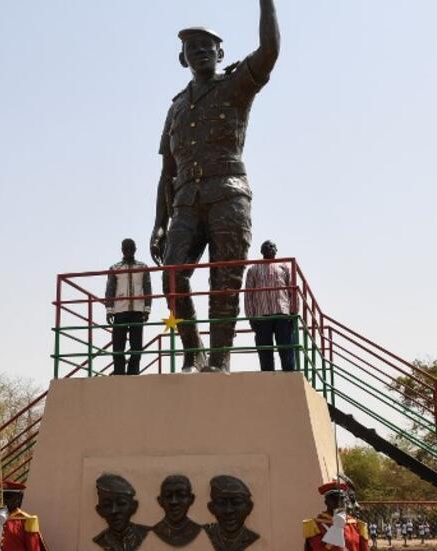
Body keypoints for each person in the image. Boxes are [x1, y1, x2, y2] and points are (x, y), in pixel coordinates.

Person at [149, 0, 281, 374]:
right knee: (172, 275)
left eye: (208, 46)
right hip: (185, 201)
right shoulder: (176, 108)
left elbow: (269, 51)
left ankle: (220, 359)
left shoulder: (235, 86)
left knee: (225, 280)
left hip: (228, 193)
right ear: (183, 58)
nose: (201, 52)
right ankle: (194, 353)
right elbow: (167, 171)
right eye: (193, 48)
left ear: (221, 54)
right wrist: (158, 223)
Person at [243, 240, 296, 371]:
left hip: (282, 313)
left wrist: (293, 313)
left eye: (272, 246)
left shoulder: (284, 267)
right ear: (261, 251)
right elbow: (248, 296)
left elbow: (292, 291)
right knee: (264, 348)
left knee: (285, 346)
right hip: (262, 314)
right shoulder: (253, 270)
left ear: (276, 250)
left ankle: (289, 373)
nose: (270, 248)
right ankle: (267, 374)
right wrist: (251, 317)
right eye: (266, 246)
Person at [104, 238, 153, 375]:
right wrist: (109, 310)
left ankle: (133, 371)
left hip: (138, 310)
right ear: (122, 250)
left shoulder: (143, 267)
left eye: (131, 248)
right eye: (126, 249)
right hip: (120, 311)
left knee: (136, 345)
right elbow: (110, 290)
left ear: (135, 249)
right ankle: (119, 371)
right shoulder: (115, 268)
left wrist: (147, 309)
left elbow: (147, 288)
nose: (128, 251)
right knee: (118, 344)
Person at [0, 480, 47, 551]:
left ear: (19, 499)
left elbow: (33, 548)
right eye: (3, 498)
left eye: (9, 498)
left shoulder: (26, 520)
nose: (5, 501)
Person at [303, 481, 370, 551]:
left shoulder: (355, 525)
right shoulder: (315, 526)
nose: (338, 502)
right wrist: (336, 530)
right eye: (334, 499)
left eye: (342, 498)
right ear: (326, 502)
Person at [93, 474, 150, 551]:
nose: (114, 511)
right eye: (107, 505)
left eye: (121, 503)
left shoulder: (149, 534)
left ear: (134, 506)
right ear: (99, 511)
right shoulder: (100, 541)